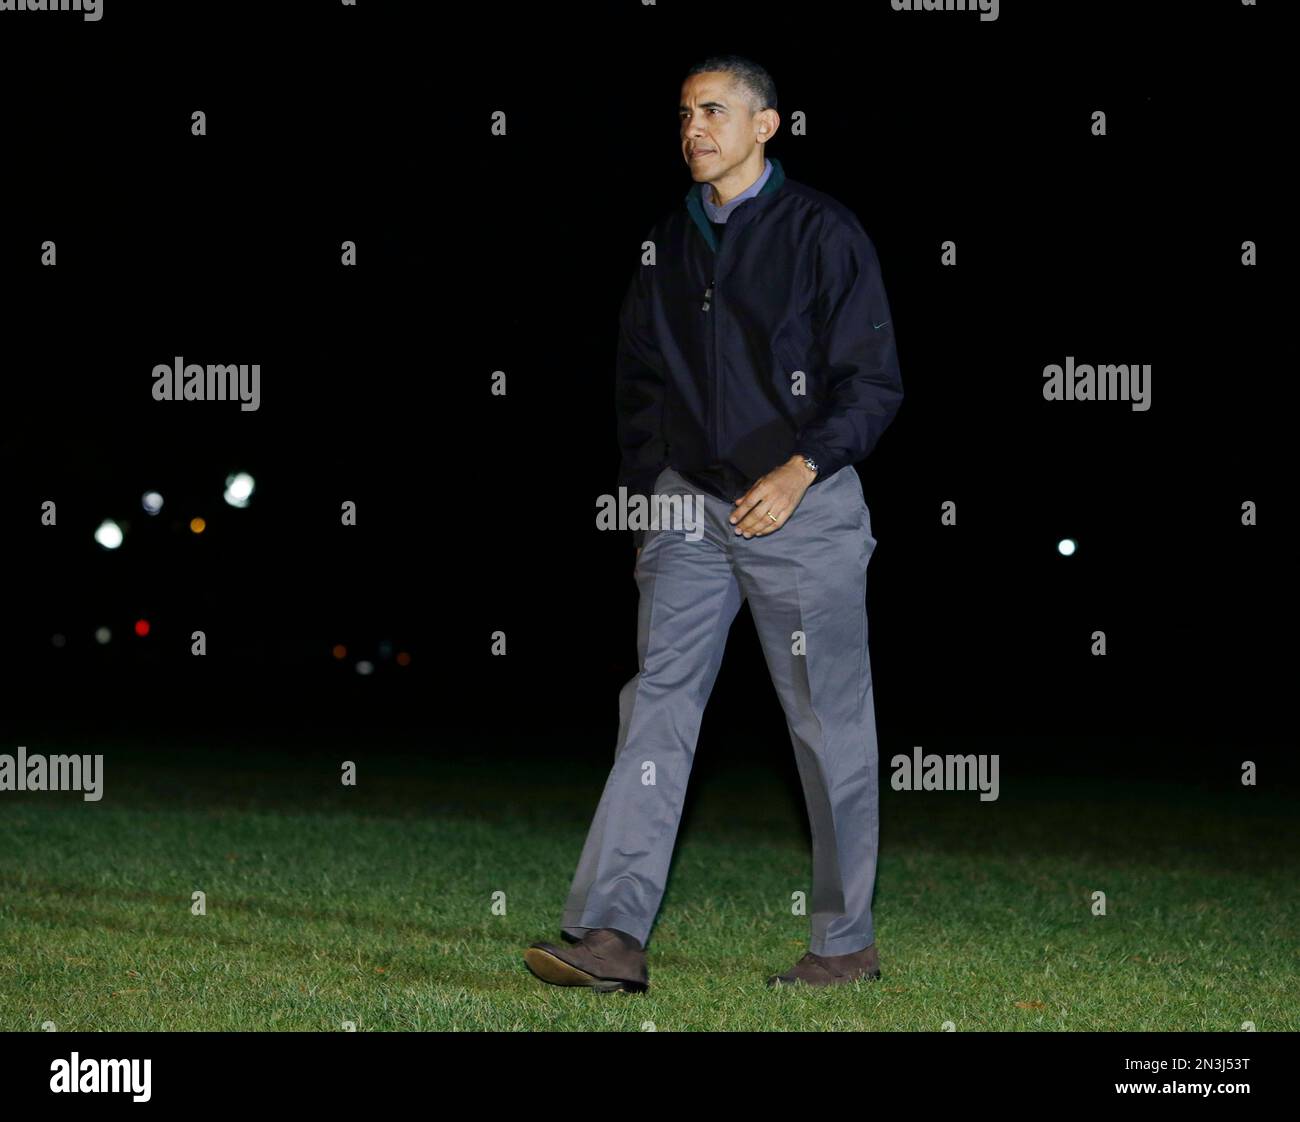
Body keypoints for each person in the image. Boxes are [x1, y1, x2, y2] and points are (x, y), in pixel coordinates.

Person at [523, 55, 903, 993]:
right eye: (686, 113)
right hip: (690, 511)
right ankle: (611, 937)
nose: (695, 128)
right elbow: (639, 387)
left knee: (827, 725)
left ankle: (844, 943)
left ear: (768, 125)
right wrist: (648, 495)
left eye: (716, 111)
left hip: (803, 507)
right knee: (655, 705)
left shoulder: (824, 233)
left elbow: (873, 382)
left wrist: (803, 466)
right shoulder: (667, 243)